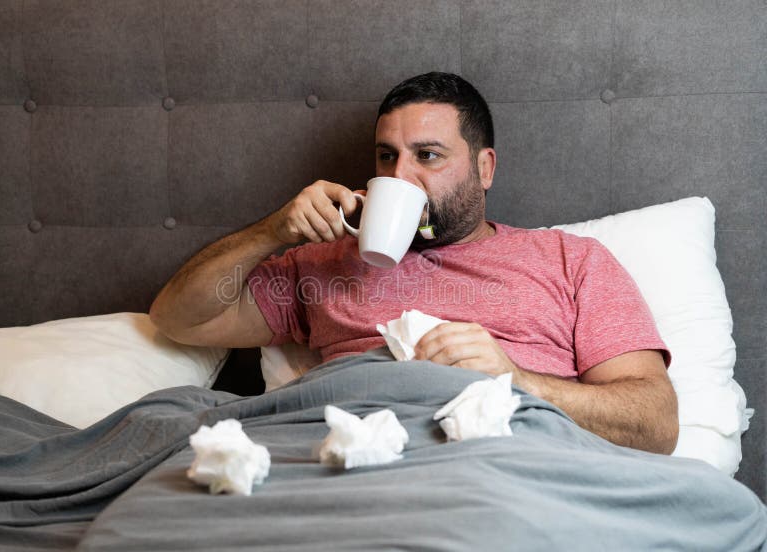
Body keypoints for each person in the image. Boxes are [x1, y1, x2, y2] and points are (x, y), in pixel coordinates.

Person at [150, 72, 678, 455]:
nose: (400, 177)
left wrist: (518, 380)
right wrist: (272, 232)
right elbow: (179, 318)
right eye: (387, 156)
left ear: (484, 168)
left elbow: (656, 424)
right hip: (354, 459)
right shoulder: (324, 261)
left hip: (508, 461)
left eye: (427, 156)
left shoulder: (571, 261)